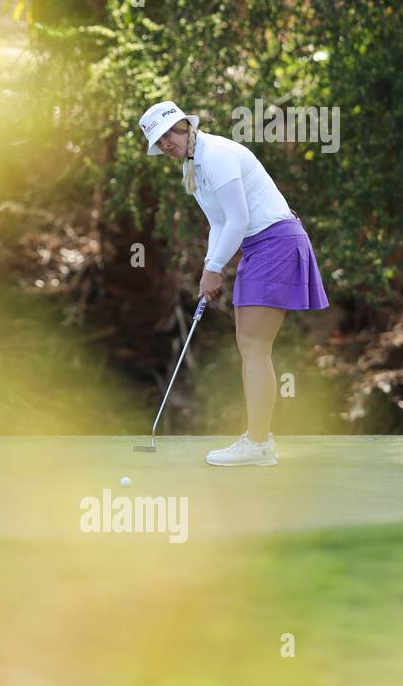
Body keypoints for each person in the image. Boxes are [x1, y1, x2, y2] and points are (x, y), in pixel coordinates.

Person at [137, 100, 330, 467]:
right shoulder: (191, 169)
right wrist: (210, 267)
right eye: (158, 142)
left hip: (275, 241)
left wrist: (214, 268)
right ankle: (258, 442)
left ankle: (258, 444)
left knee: (254, 344)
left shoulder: (218, 154)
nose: (166, 145)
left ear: (183, 126)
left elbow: (239, 218)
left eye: (167, 135)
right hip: (259, 246)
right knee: (249, 344)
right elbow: (219, 223)